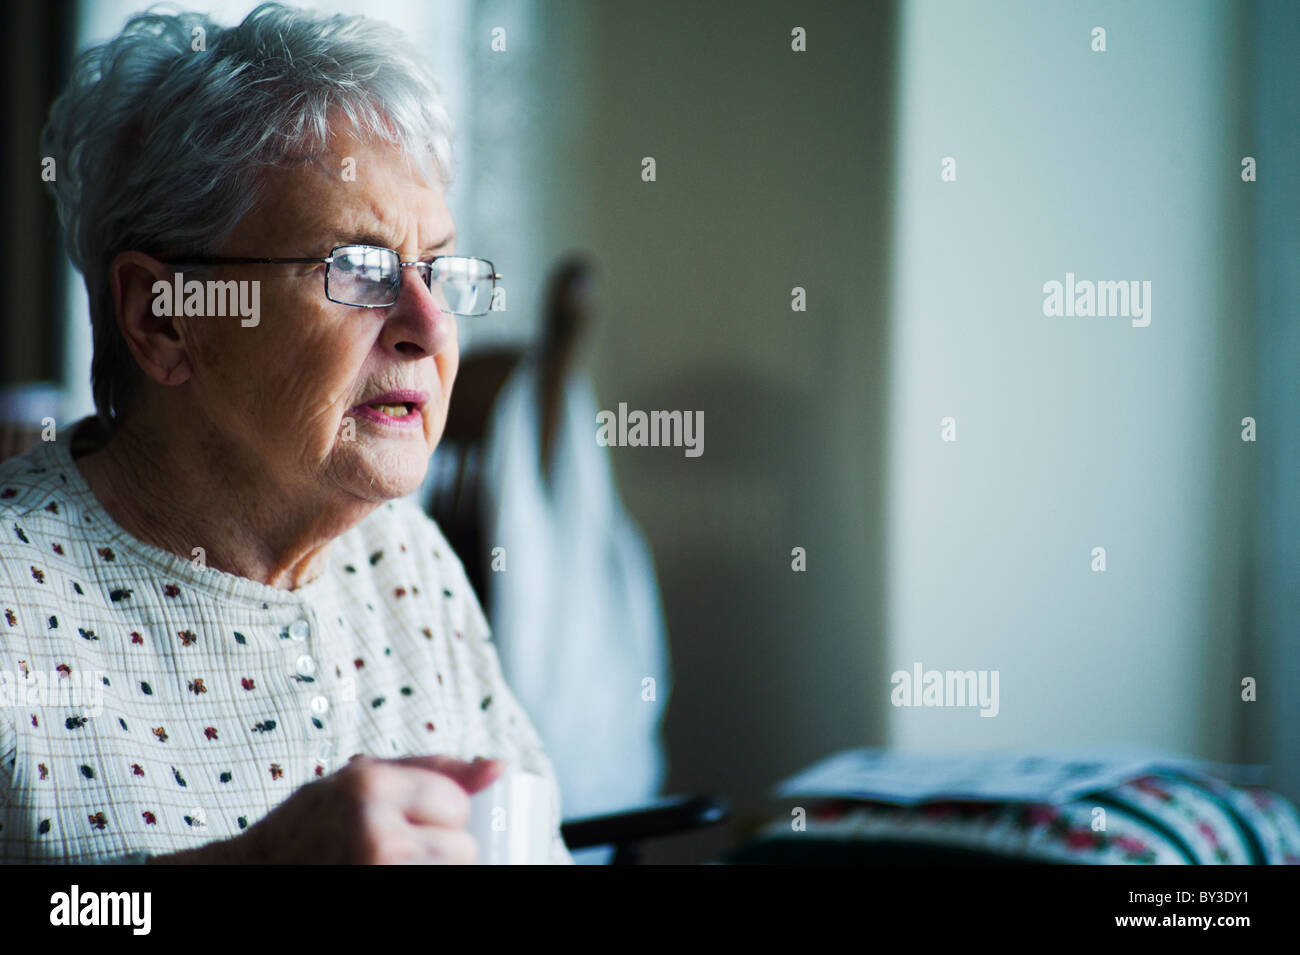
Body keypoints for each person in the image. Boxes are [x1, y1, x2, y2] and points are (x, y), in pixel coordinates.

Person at [0, 3, 572, 864]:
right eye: (358, 268)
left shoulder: (409, 562)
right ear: (164, 319)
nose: (429, 325)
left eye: (435, 269)